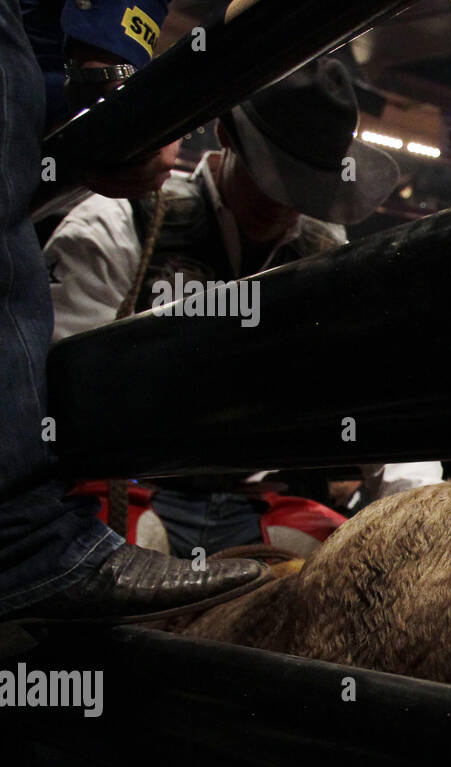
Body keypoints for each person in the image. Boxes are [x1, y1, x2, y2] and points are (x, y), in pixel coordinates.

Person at [43, 58, 402, 557]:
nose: (282, 203)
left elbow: (376, 387)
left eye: (303, 186)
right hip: (132, 489)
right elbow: (57, 400)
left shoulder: (328, 258)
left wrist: (413, 511)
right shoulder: (120, 223)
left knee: (357, 577)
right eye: (271, 175)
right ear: (224, 134)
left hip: (257, 503)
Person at [0, 0, 266, 623]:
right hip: (142, 481)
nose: (285, 208)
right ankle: (19, 541)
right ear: (228, 145)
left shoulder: (318, 240)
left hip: (248, 492)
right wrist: (109, 62)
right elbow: (68, 367)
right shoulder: (124, 222)